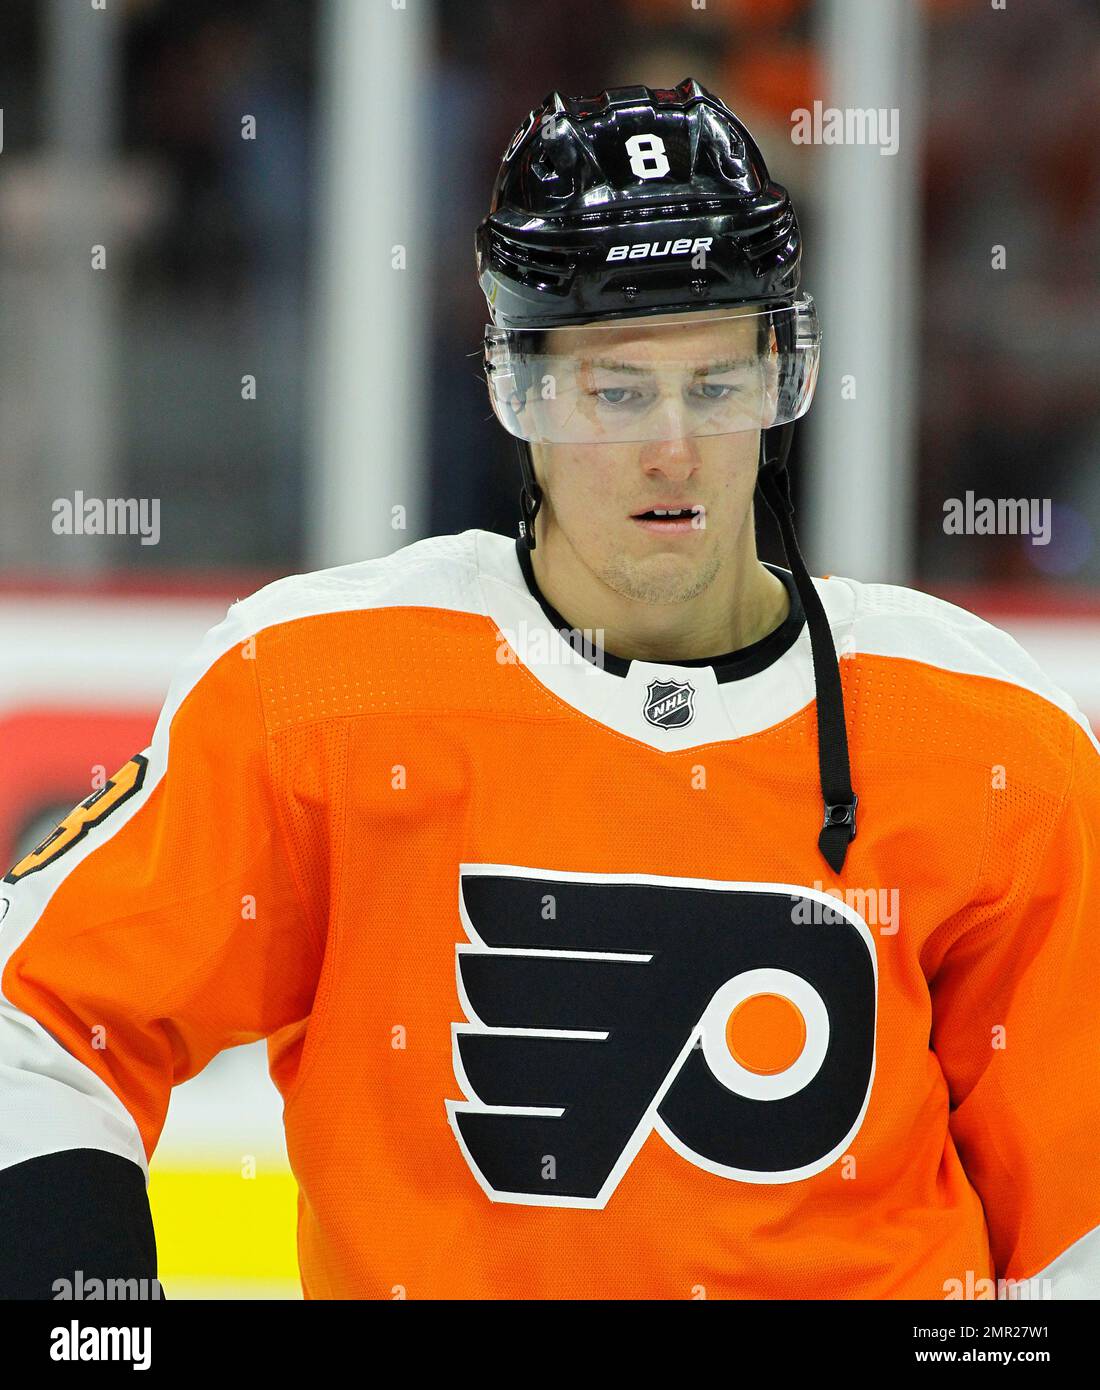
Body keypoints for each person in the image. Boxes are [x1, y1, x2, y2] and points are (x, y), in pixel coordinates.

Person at [1, 79, 1097, 1301]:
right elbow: (33, 1028)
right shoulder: (320, 695)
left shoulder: (990, 739)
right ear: (518, 390)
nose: (669, 447)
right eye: (613, 390)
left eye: (715, 384)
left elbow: (1077, 1218)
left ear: (782, 379)